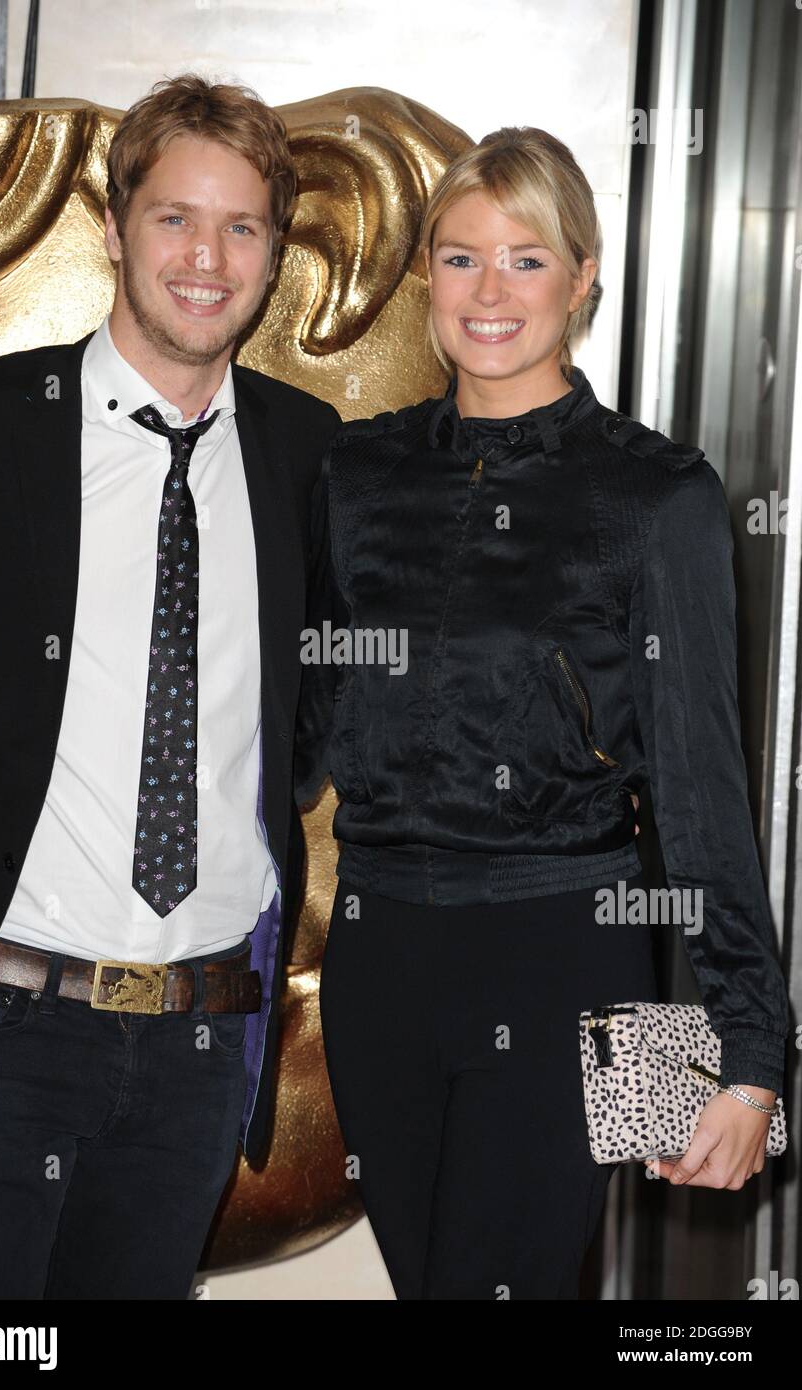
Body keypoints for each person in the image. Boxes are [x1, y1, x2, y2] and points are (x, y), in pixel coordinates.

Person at [317, 126, 791, 1300]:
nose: (489, 292)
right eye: (461, 256)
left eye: (526, 259)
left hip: (557, 950)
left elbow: (695, 780)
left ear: (583, 278)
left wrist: (748, 1055)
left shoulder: (651, 493)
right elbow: (295, 726)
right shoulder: (351, 474)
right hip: (375, 961)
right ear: (423, 272)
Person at [0, 72, 340, 1299]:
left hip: (201, 1046)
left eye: (242, 225)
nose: (207, 257)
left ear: (270, 252)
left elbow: (326, 693)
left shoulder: (310, 459)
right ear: (114, 228)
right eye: (174, 217)